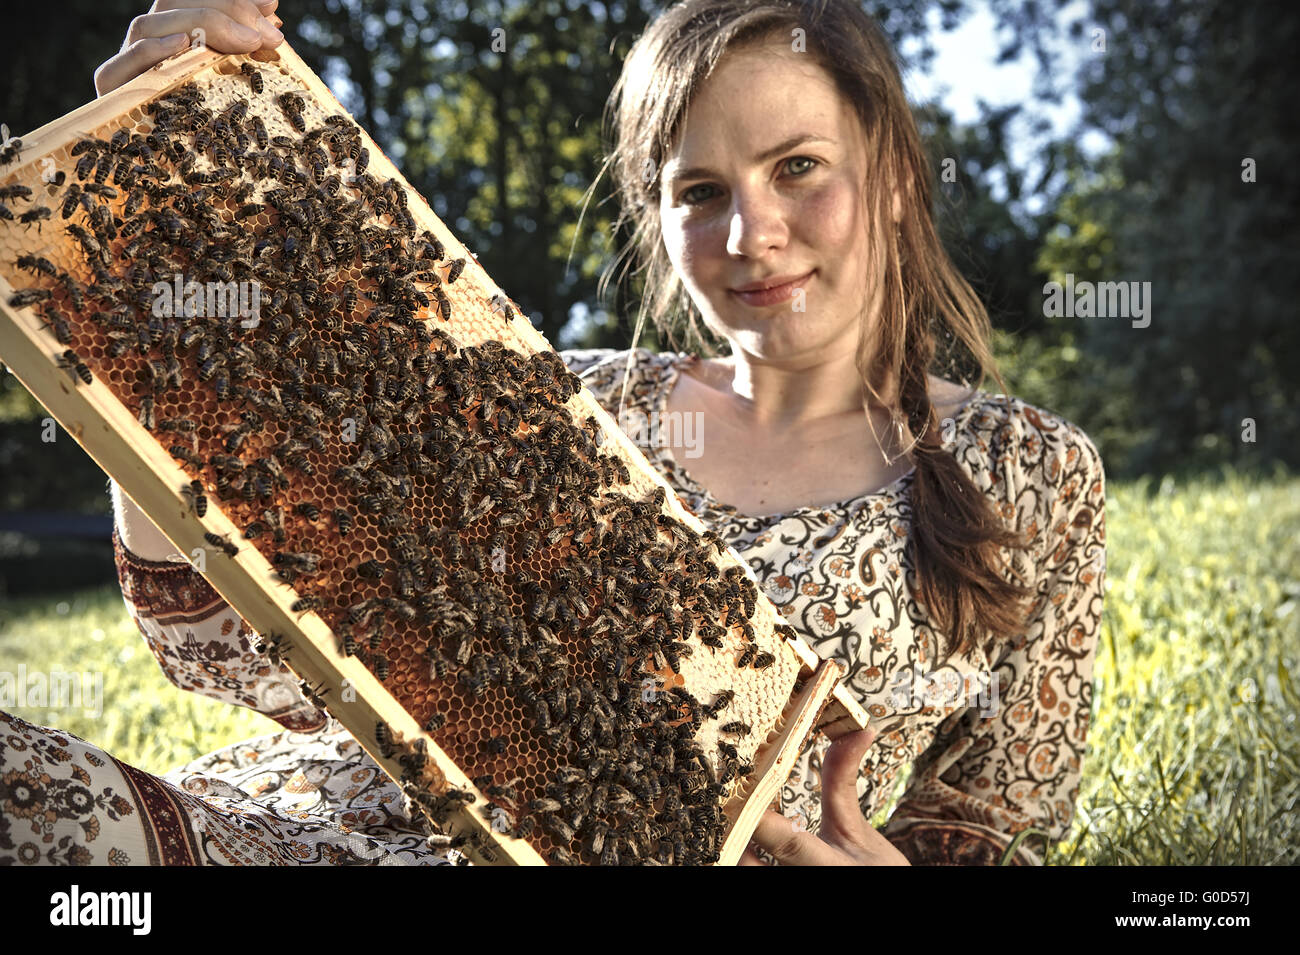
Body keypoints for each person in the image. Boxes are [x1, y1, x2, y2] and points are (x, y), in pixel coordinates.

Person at [1, 0, 1104, 866]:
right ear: (655, 214)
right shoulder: (553, 397)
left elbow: (994, 817)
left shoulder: (1028, 469)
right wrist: (153, 240)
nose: (752, 231)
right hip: (291, 840)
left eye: (797, 168)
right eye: (701, 190)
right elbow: (228, 650)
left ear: (896, 176)